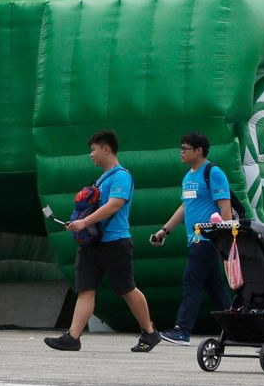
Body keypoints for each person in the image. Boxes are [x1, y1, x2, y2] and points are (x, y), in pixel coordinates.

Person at [44, 130, 162, 352]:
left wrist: (85, 221)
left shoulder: (121, 176)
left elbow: (115, 205)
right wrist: (79, 223)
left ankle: (149, 331)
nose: (91, 155)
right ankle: (73, 337)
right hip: (92, 244)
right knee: (85, 289)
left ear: (106, 149)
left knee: (127, 289)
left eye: (93, 150)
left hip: (115, 243)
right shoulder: (101, 179)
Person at [150, 132, 234, 346]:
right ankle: (236, 328)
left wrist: (223, 239)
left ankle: (183, 330)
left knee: (191, 280)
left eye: (185, 148)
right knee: (216, 289)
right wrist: (164, 231)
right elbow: (184, 207)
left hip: (207, 239)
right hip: (195, 239)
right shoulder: (188, 176)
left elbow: (225, 206)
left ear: (199, 150)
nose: (181, 152)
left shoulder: (213, 173)